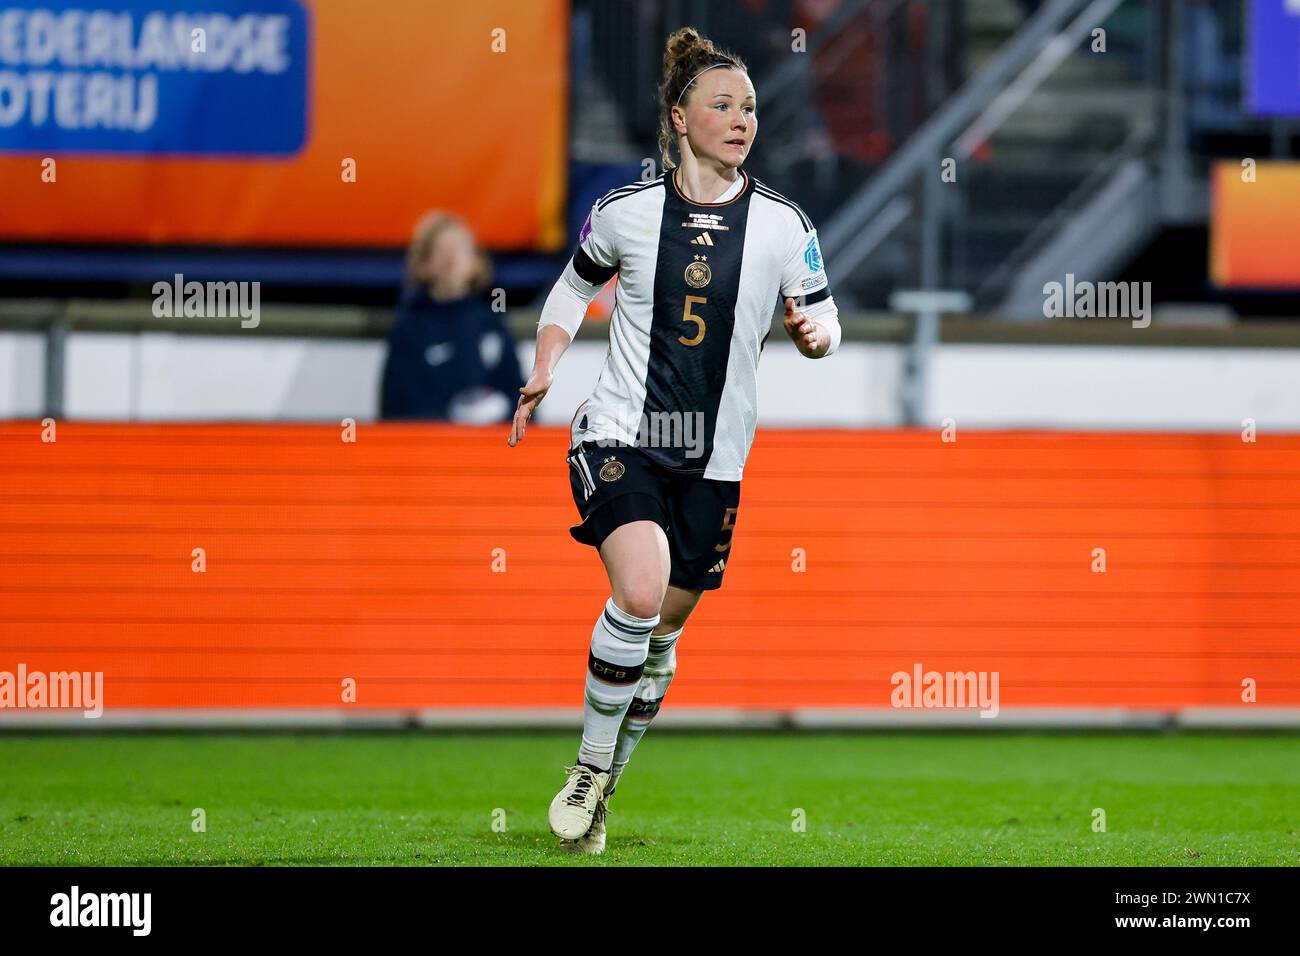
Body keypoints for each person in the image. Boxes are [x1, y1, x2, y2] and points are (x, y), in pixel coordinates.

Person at [506, 26, 842, 854]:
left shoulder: (782, 223)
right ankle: (587, 767)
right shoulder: (625, 213)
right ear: (680, 118)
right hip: (621, 433)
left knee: (660, 641)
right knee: (644, 588)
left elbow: (827, 318)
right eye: (721, 104)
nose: (741, 119)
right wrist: (547, 362)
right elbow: (567, 289)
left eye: (751, 107)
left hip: (715, 460)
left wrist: (811, 334)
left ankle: (605, 787)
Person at [380, 212, 523, 423]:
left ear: (477, 263)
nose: (451, 257)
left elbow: (520, 397)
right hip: (429, 448)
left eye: (460, 248)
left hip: (487, 449)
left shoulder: (492, 325)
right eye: (440, 250)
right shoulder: (409, 329)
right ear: (423, 265)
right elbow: (396, 407)